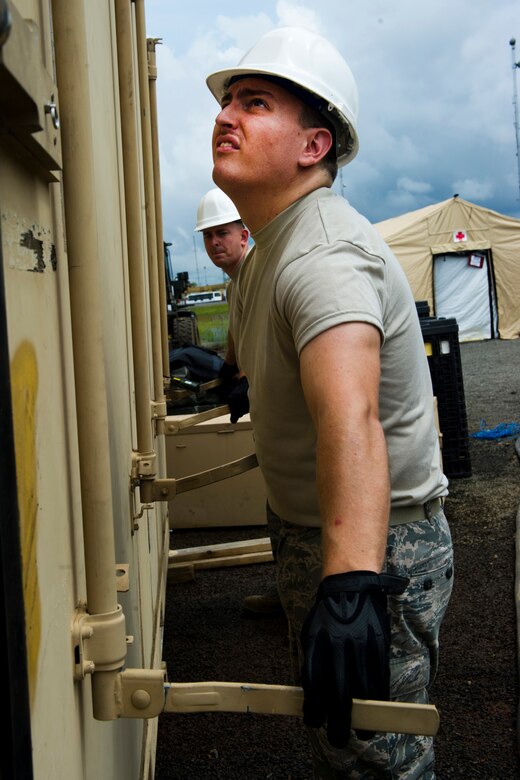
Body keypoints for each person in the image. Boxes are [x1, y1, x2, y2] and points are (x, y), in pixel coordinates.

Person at [205, 26, 454, 778]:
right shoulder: (270, 244)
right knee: (337, 741)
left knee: (377, 757)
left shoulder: (324, 255)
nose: (226, 116)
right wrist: (241, 377)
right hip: (313, 526)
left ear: (314, 146)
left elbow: (353, 415)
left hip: (379, 546)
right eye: (226, 101)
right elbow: (277, 346)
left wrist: (350, 584)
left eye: (255, 102)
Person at [196, 187, 283, 615]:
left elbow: (268, 338)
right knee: (281, 501)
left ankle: (308, 599)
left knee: (299, 504)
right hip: (268, 413)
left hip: (286, 410)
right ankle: (289, 589)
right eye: (208, 236)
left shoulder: (260, 272)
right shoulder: (234, 283)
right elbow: (237, 331)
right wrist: (229, 368)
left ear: (244, 234)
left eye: (222, 234)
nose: (215, 244)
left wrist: (247, 379)